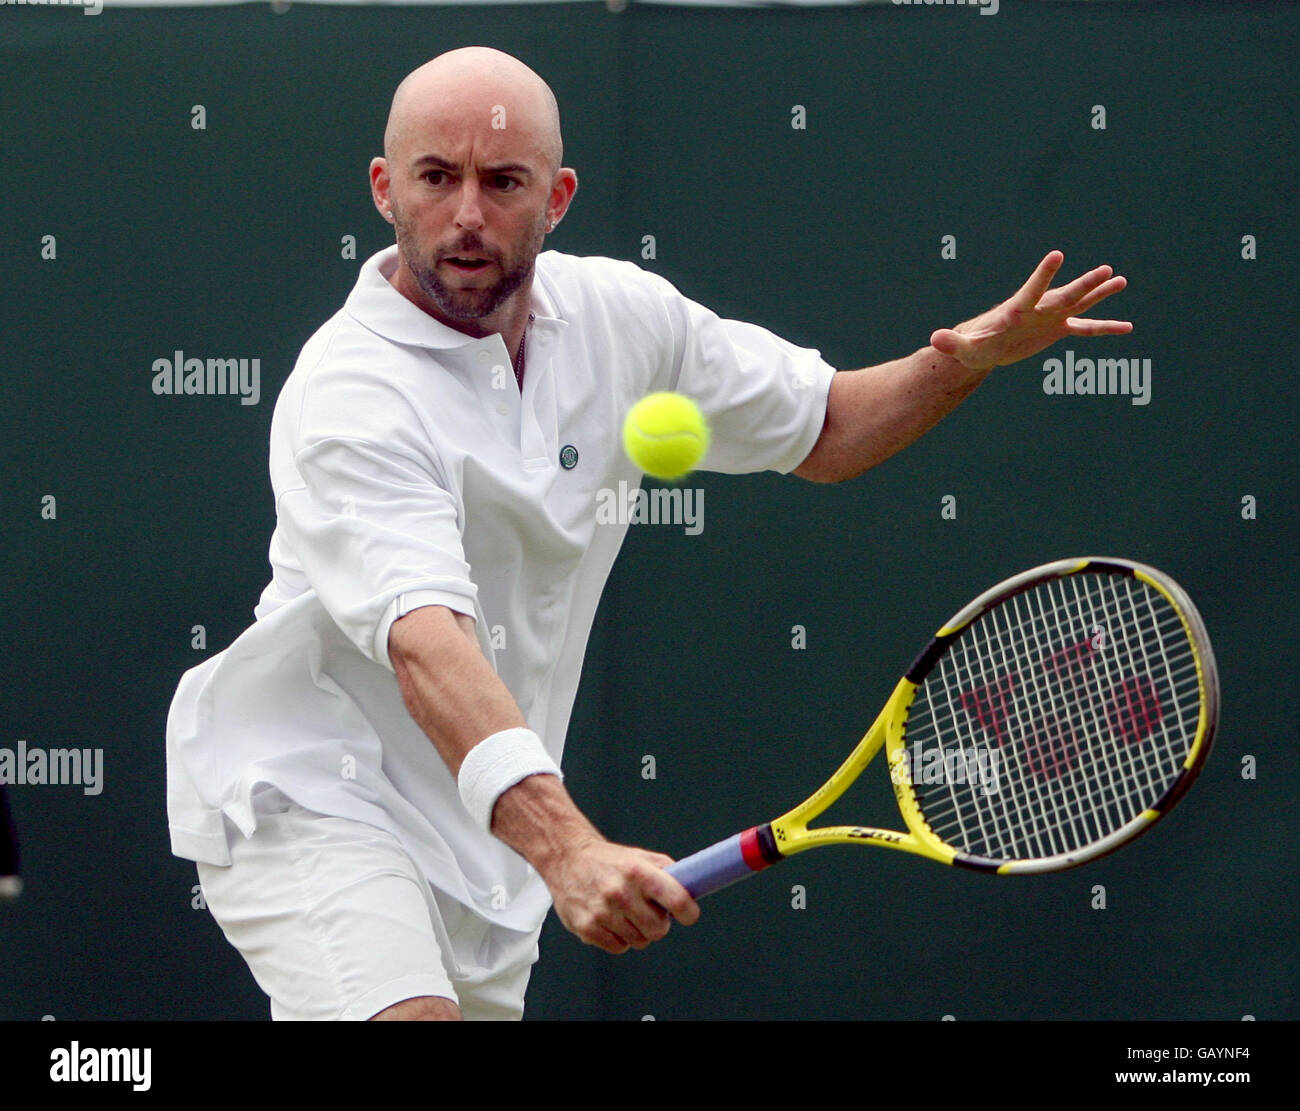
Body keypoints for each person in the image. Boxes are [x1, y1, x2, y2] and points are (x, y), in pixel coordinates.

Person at [165, 46, 1130, 1022]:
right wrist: (568, 849)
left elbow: (829, 427)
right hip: (316, 790)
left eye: (504, 182)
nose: (467, 214)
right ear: (384, 188)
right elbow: (428, 647)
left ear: (558, 198)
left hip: (484, 847)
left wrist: (962, 364)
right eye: (436, 177)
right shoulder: (351, 395)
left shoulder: (622, 317)